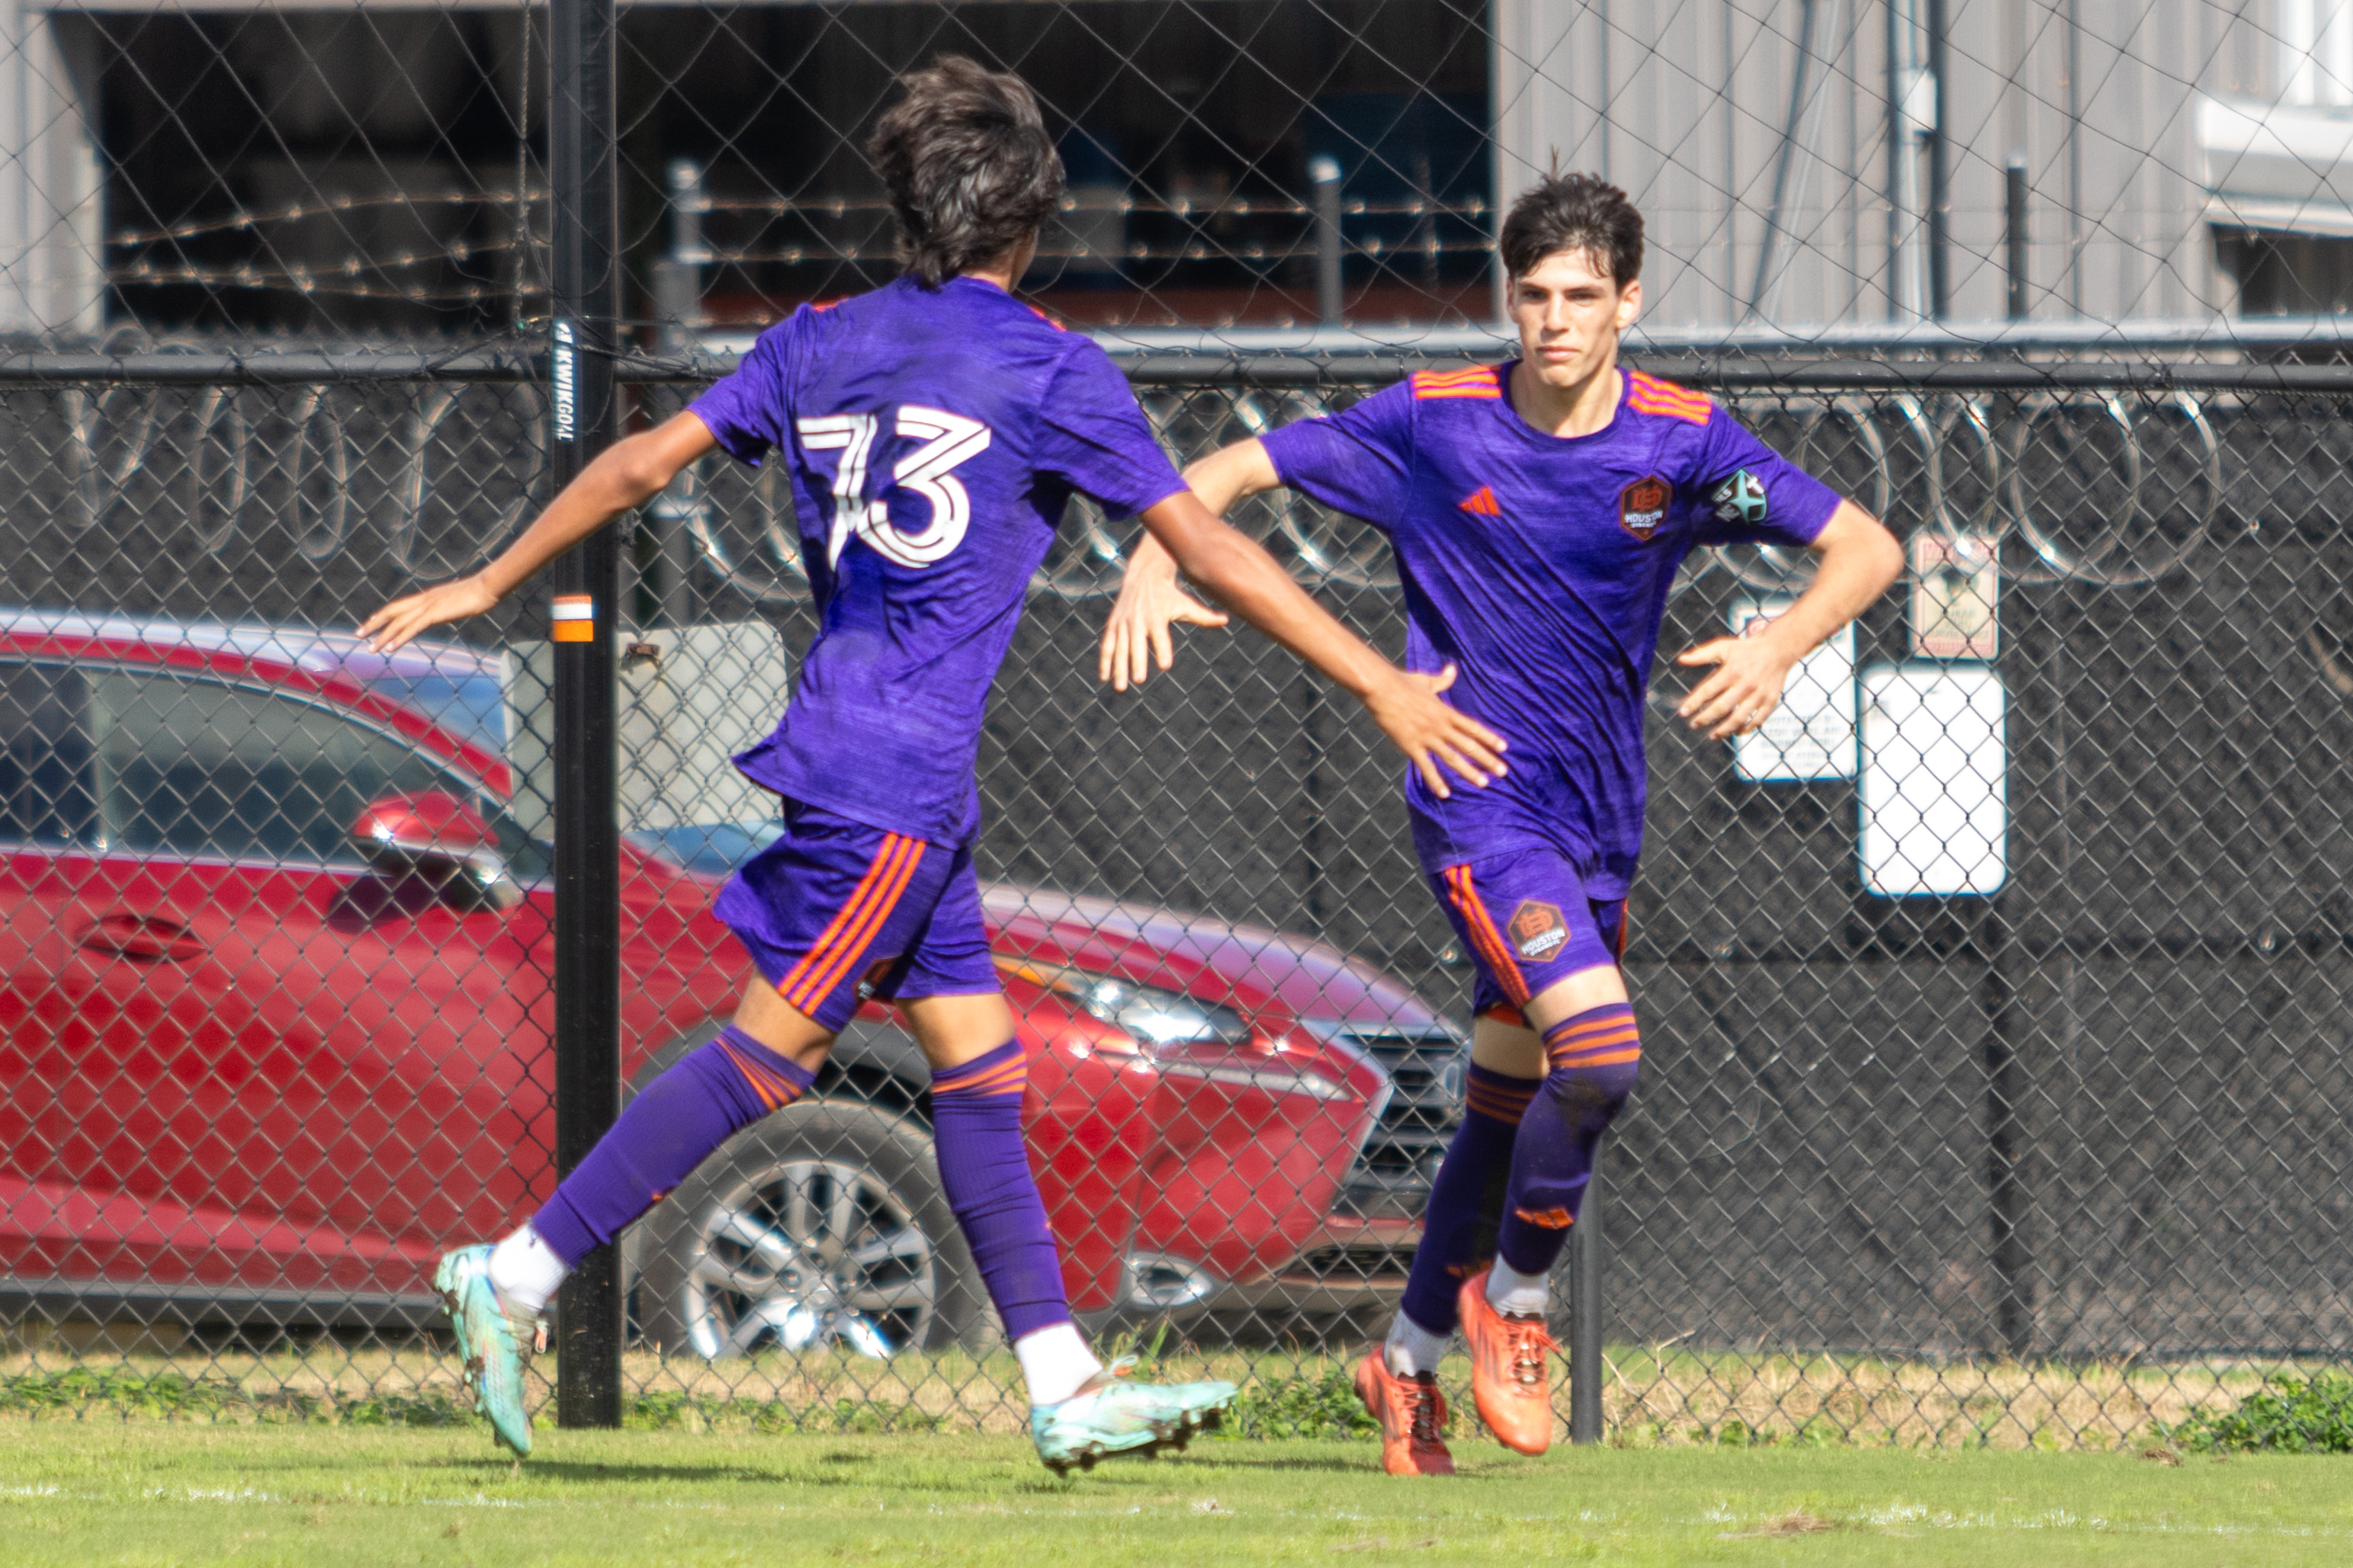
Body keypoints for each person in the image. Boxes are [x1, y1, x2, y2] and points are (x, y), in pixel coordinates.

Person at [360, 57, 1506, 1473]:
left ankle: (1059, 1378)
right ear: (1033, 223)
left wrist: (491, 576)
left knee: (978, 1067)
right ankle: (518, 1273)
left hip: (874, 765)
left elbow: (635, 464)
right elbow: (1205, 543)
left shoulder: (819, 334)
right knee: (766, 1058)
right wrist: (1382, 680)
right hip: (884, 779)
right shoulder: (1043, 364)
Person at [1101, 171, 1904, 1476]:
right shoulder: (1437, 422)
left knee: (1501, 1099)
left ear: (1628, 303)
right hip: (1476, 796)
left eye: (1581, 296)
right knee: (1597, 1053)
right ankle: (1513, 1300)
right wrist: (1152, 552)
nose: (1553, 320)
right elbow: (1240, 465)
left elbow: (1866, 547)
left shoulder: (1683, 444)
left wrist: (1780, 644)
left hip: (1602, 817)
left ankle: (1405, 1360)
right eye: (1531, 295)